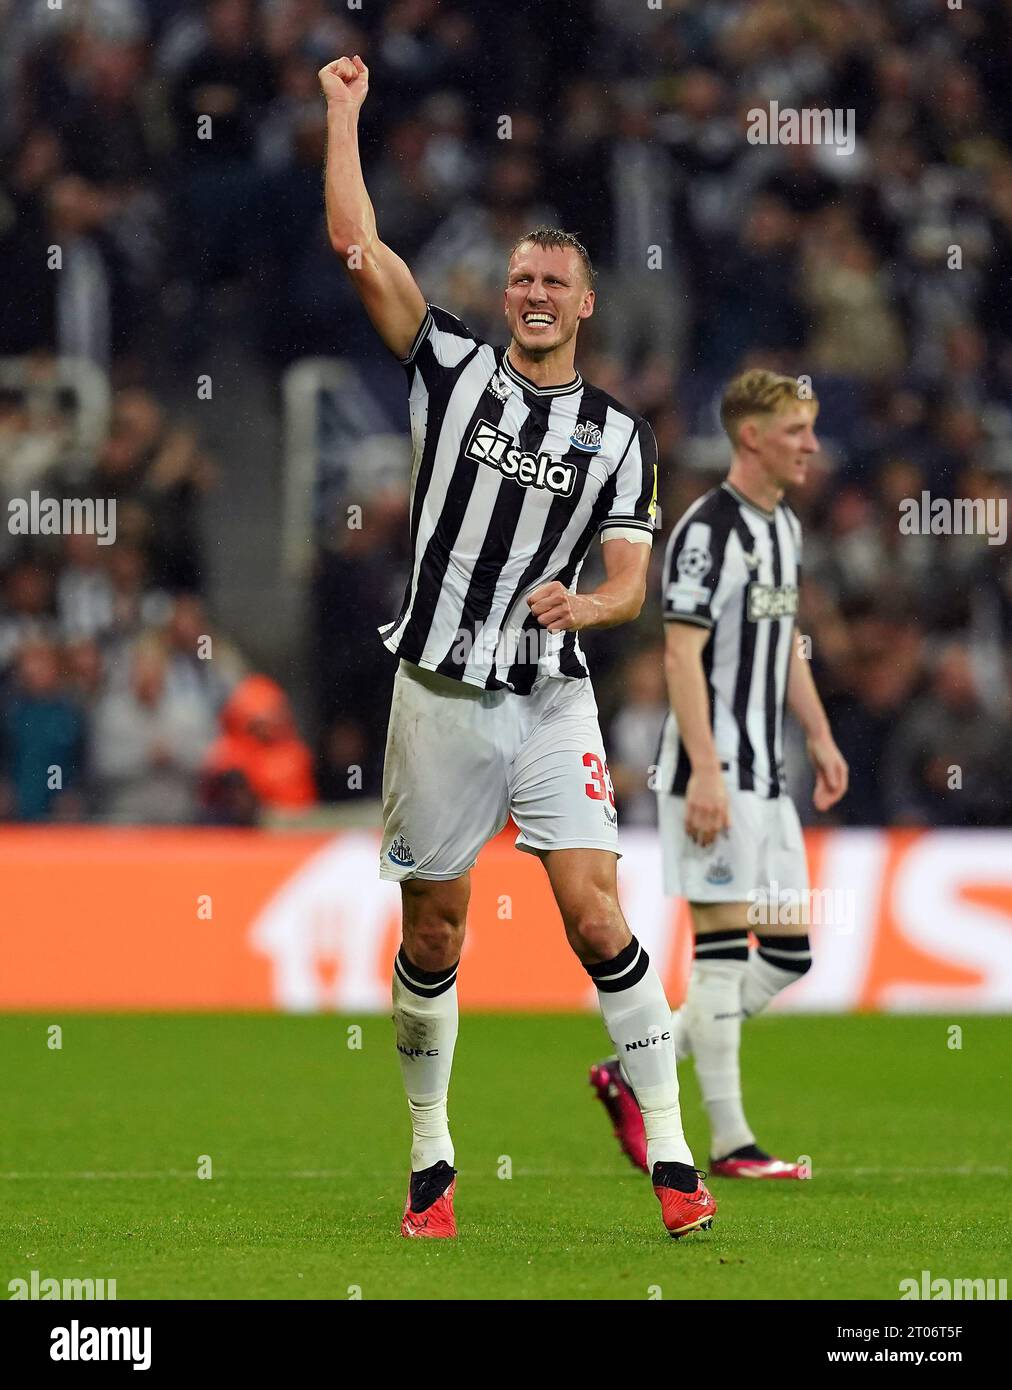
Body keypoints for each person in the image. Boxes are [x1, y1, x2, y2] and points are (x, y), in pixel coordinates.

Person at [321, 54, 716, 1240]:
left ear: (588, 305)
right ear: (508, 295)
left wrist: (588, 610)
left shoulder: (618, 439)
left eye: (557, 281)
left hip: (551, 700)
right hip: (437, 692)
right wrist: (343, 114)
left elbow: (631, 579)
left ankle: (676, 1163)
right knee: (434, 929)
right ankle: (432, 1159)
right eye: (523, 278)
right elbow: (358, 243)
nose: (536, 293)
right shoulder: (447, 367)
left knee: (596, 915)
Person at [590, 369, 849, 1179]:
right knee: (725, 954)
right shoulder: (707, 530)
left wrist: (819, 731)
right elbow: (680, 652)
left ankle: (634, 1067)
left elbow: (787, 642)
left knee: (787, 955)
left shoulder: (785, 529)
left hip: (767, 776)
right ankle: (734, 1143)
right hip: (714, 771)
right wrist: (704, 769)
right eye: (797, 430)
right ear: (750, 438)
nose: (811, 444)